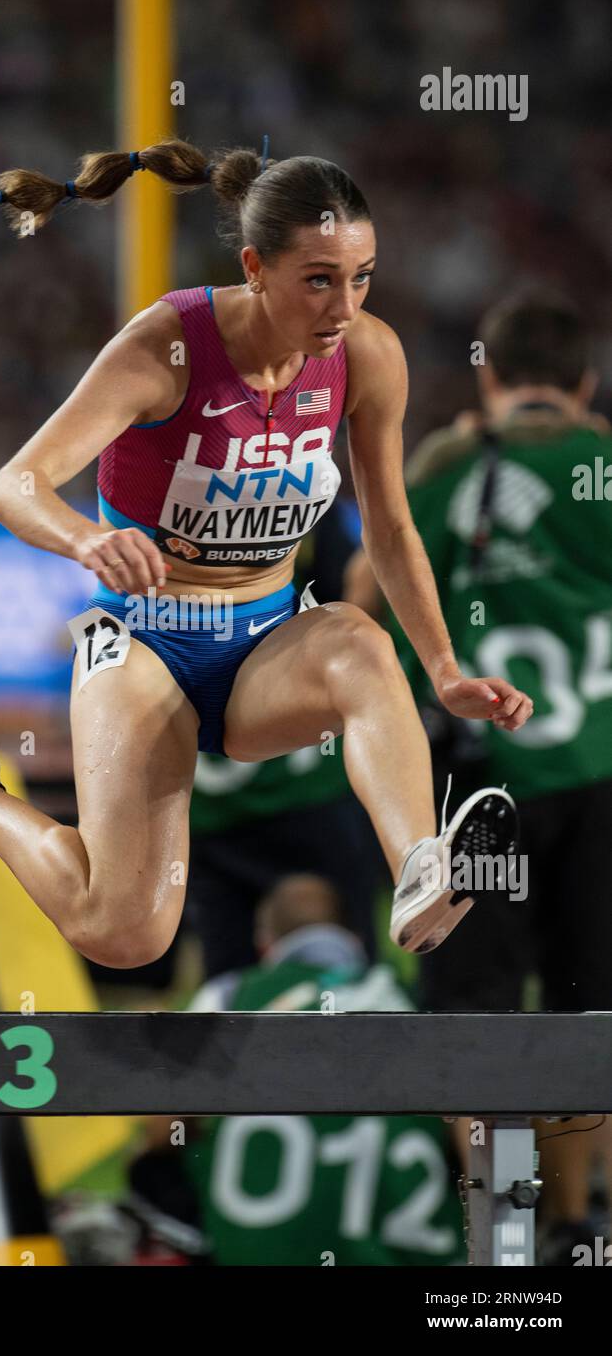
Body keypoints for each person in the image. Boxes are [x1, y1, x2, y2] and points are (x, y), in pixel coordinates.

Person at [0, 138, 532, 967]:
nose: (344, 307)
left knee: (360, 645)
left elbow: (392, 528)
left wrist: (443, 669)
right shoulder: (165, 347)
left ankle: (421, 869)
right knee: (124, 935)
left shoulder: (368, 355)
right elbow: (14, 485)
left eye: (362, 277)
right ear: (255, 267)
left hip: (266, 648)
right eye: (319, 280)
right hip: (147, 644)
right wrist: (88, 538)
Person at [344, 289, 612, 1264]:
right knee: (591, 1009)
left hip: (479, 792)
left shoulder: (446, 466)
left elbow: (361, 605)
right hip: (601, 778)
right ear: (586, 384)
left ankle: (501, 1240)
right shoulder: (603, 466)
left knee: (474, 1016)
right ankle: (581, 1227)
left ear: (486, 377)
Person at [130, 875, 466, 1266]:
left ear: (264, 944)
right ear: (357, 939)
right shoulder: (414, 1004)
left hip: (257, 1250)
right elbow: (470, 1116)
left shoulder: (229, 995)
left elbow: (162, 1124)